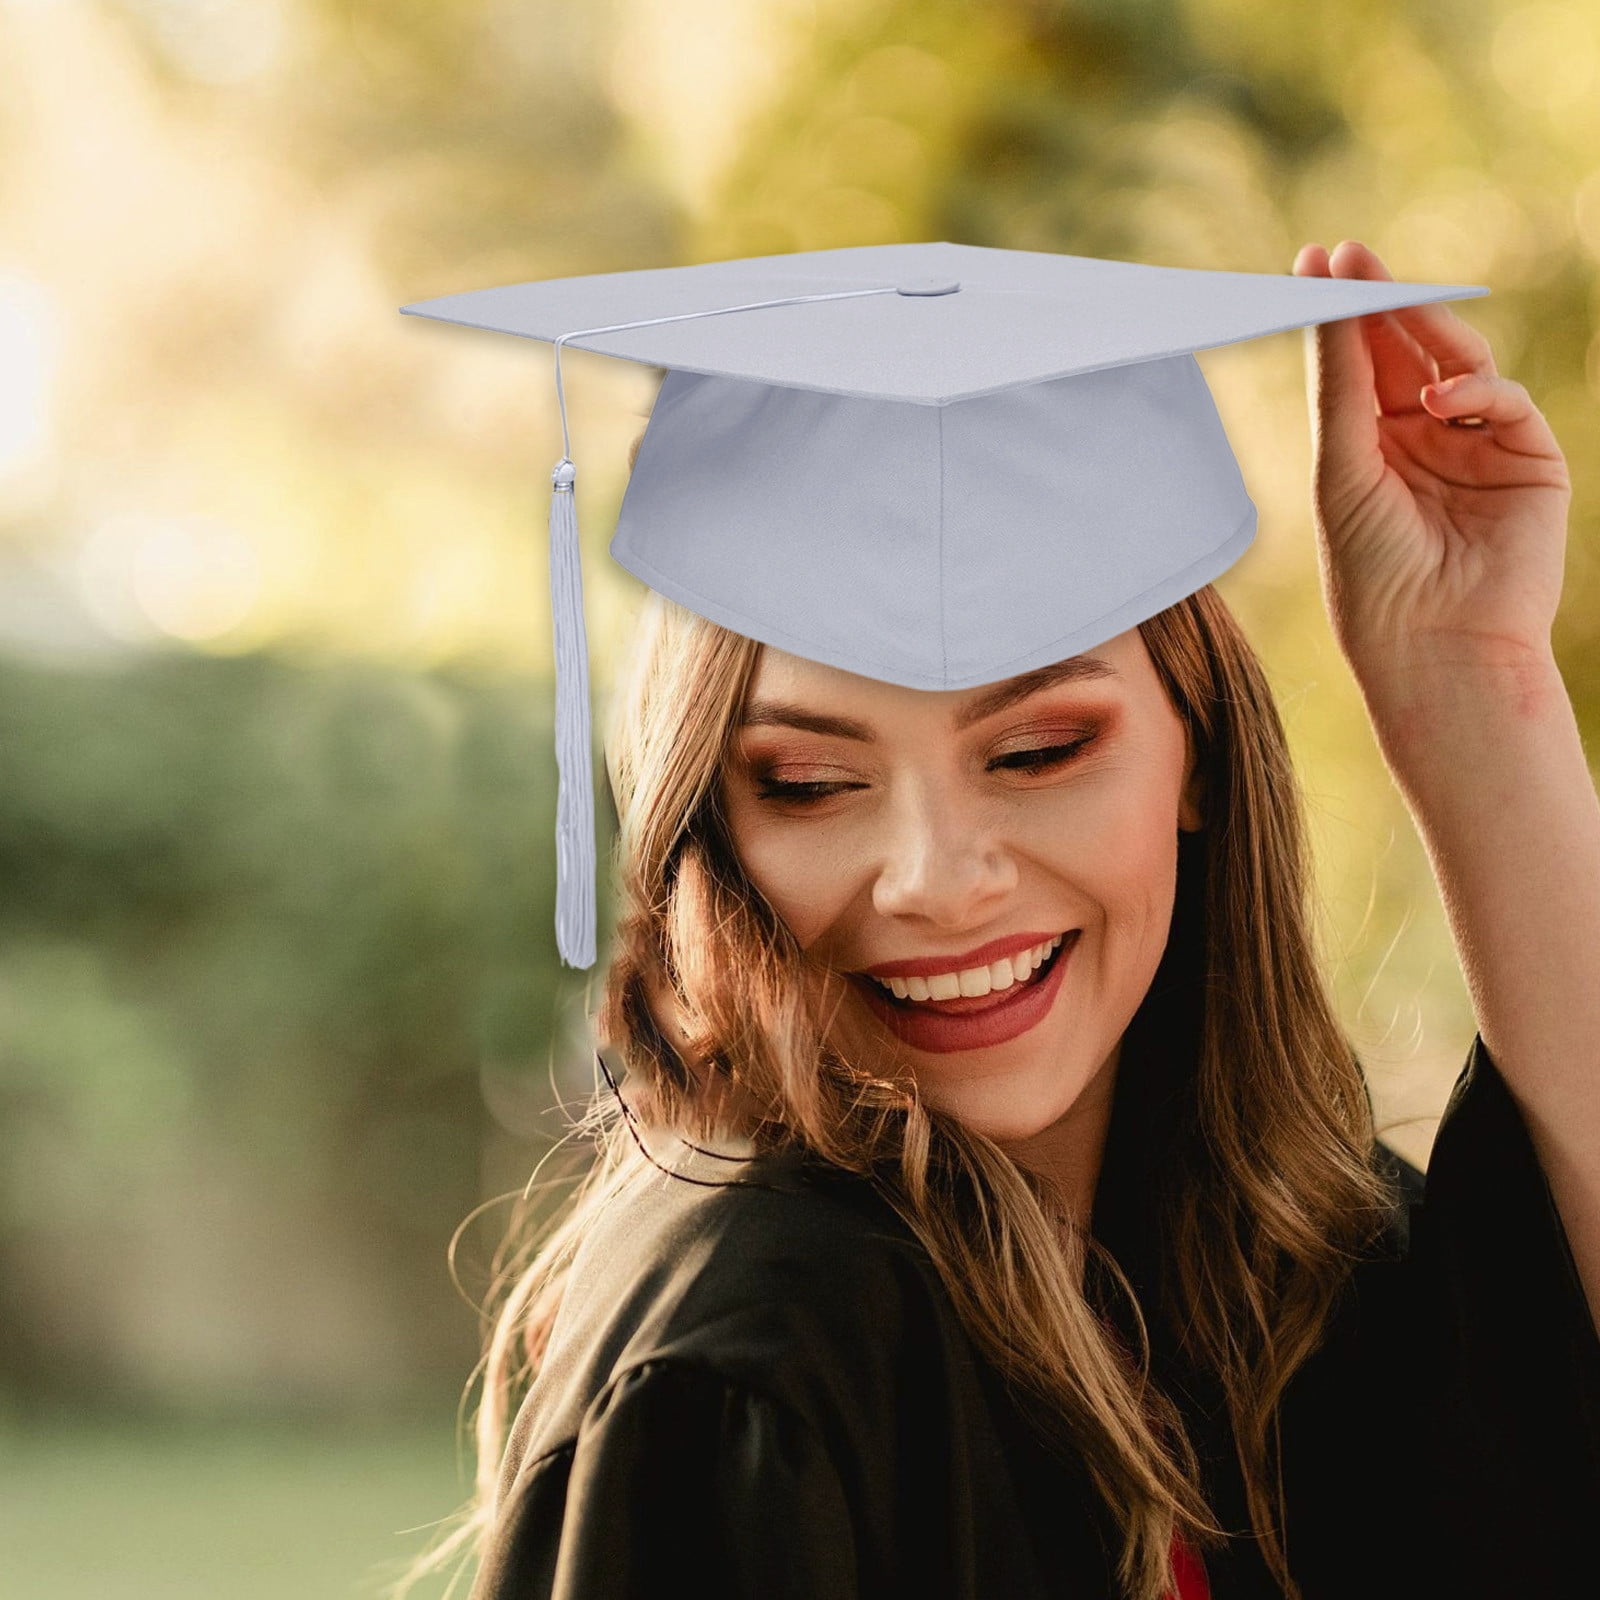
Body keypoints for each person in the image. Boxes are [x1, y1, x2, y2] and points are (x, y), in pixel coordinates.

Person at [392, 239, 1600, 1600]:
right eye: (809, 782)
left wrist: (1473, 680)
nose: (939, 878)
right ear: (710, 827)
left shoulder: (1242, 1278)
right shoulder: (766, 1356)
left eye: (1037, 753)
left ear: (1196, 755)